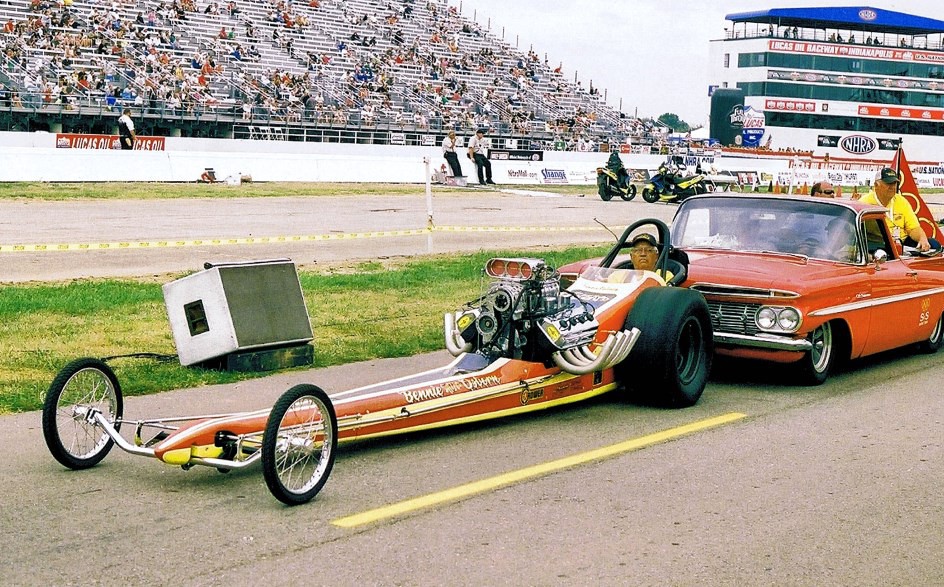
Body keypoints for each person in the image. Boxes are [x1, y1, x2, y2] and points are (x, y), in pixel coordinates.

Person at [858, 167, 934, 252]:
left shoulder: (901, 201)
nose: (892, 187)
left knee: (934, 244)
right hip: (879, 243)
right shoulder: (864, 203)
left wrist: (922, 239)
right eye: (888, 183)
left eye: (894, 183)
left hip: (901, 242)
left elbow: (913, 228)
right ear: (876, 185)